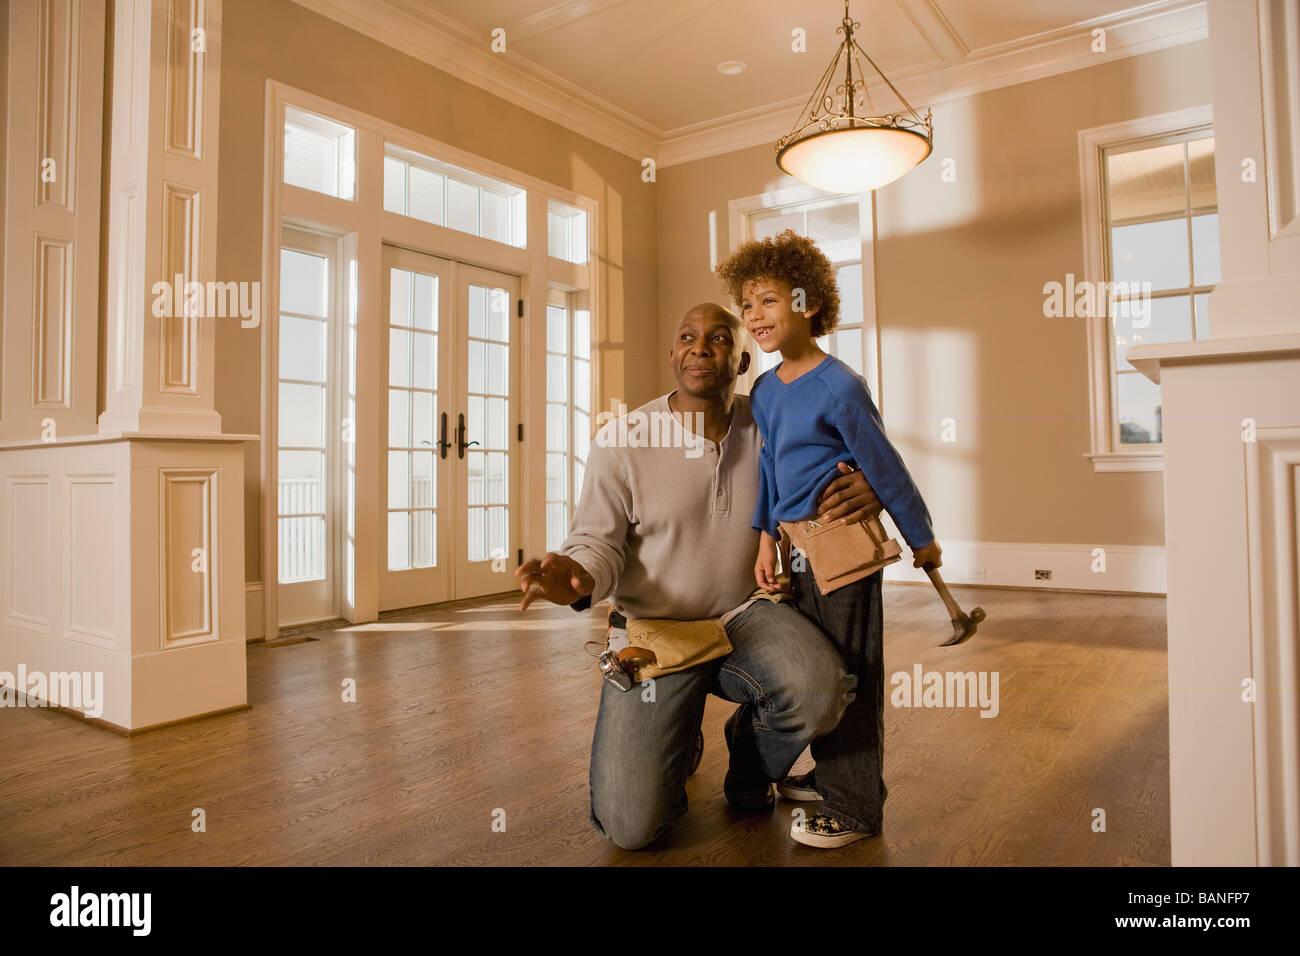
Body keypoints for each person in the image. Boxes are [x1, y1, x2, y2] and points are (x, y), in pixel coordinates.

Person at [516, 302, 884, 850]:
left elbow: (840, 463)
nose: (700, 347)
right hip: (654, 630)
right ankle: (674, 730)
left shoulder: (771, 426)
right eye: (687, 336)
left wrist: (870, 483)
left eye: (718, 338)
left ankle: (751, 761)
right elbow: (596, 543)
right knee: (631, 828)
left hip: (745, 613)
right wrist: (577, 576)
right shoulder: (622, 440)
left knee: (821, 691)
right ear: (672, 355)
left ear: (741, 361)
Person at [715, 229, 944, 848]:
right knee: (818, 666)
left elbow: (884, 465)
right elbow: (766, 469)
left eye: (766, 301)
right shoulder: (764, 391)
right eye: (746, 305)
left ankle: (854, 807)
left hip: (842, 546)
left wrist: (920, 536)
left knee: (853, 672)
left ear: (806, 301)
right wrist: (764, 539)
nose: (753, 315)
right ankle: (827, 776)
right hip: (793, 549)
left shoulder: (840, 385)